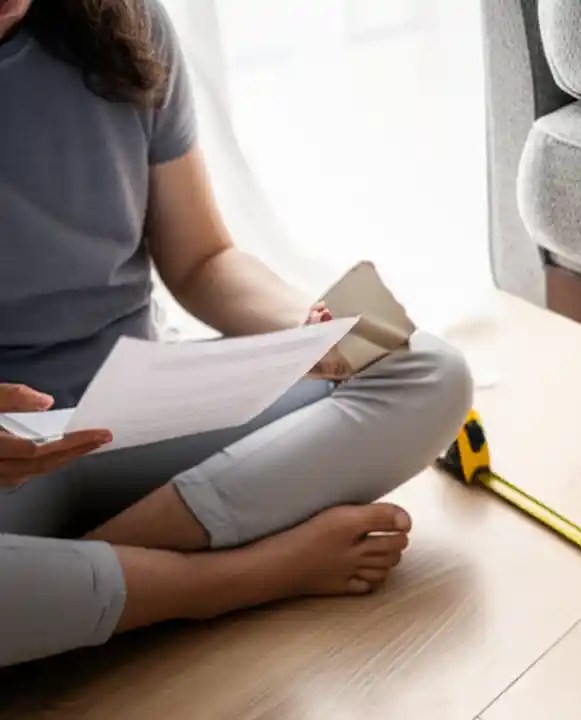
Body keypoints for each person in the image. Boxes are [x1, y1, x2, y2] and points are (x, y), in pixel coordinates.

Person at [0, 0, 473, 667]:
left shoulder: (125, 20)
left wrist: (310, 328)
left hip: (137, 421)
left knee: (428, 368)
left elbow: (202, 261)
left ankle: (81, 582)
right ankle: (245, 577)